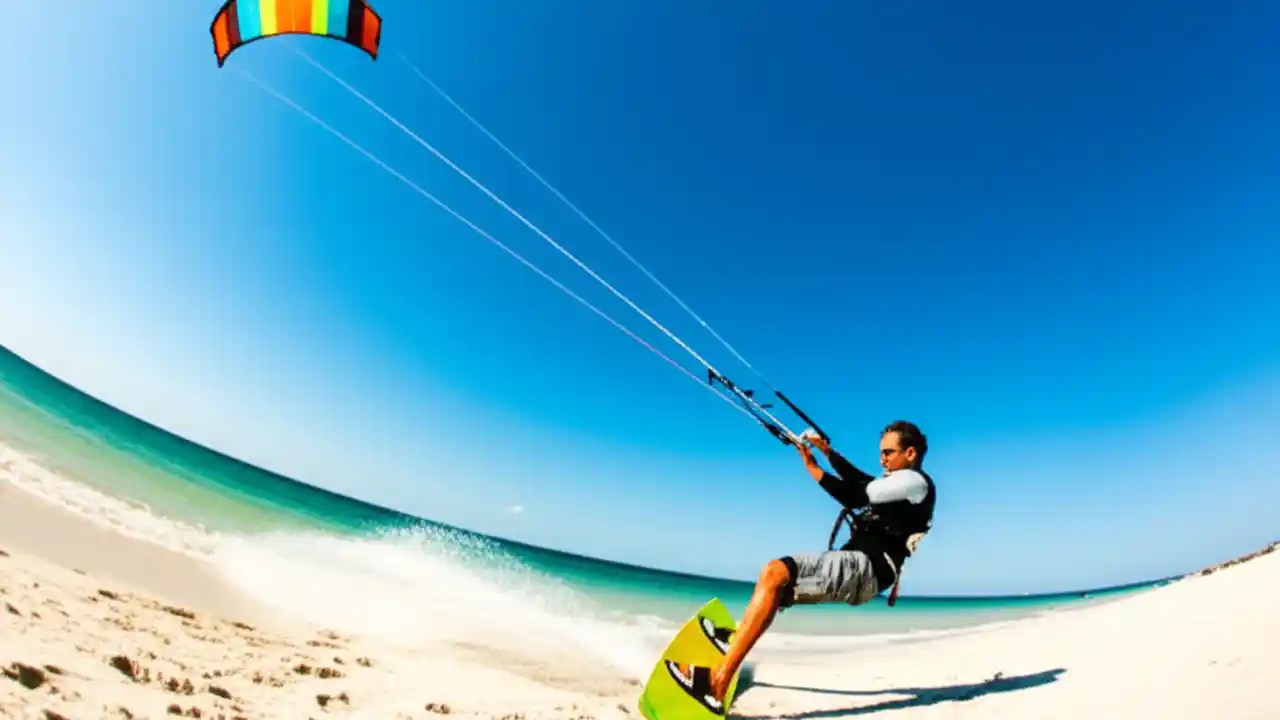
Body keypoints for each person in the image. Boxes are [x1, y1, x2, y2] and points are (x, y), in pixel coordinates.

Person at [669, 420, 937, 711]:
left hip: (867, 567)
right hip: (865, 570)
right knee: (775, 584)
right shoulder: (896, 483)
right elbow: (861, 479)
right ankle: (735, 642)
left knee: (776, 572)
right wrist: (827, 452)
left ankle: (717, 683)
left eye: (888, 452)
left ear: (910, 454)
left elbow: (857, 492)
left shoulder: (915, 482)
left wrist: (813, 468)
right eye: (881, 452)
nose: (882, 458)